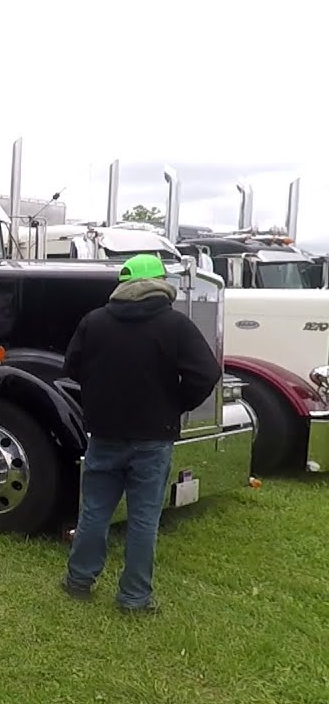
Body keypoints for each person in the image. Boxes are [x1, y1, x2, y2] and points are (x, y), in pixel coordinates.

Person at [59, 253, 221, 613]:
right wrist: (174, 404)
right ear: (160, 284)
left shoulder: (95, 321)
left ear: (123, 284)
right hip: (153, 437)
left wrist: (101, 397)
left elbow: (73, 368)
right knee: (144, 518)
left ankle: (78, 581)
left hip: (103, 435)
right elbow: (206, 373)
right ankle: (134, 598)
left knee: (94, 512)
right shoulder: (175, 325)